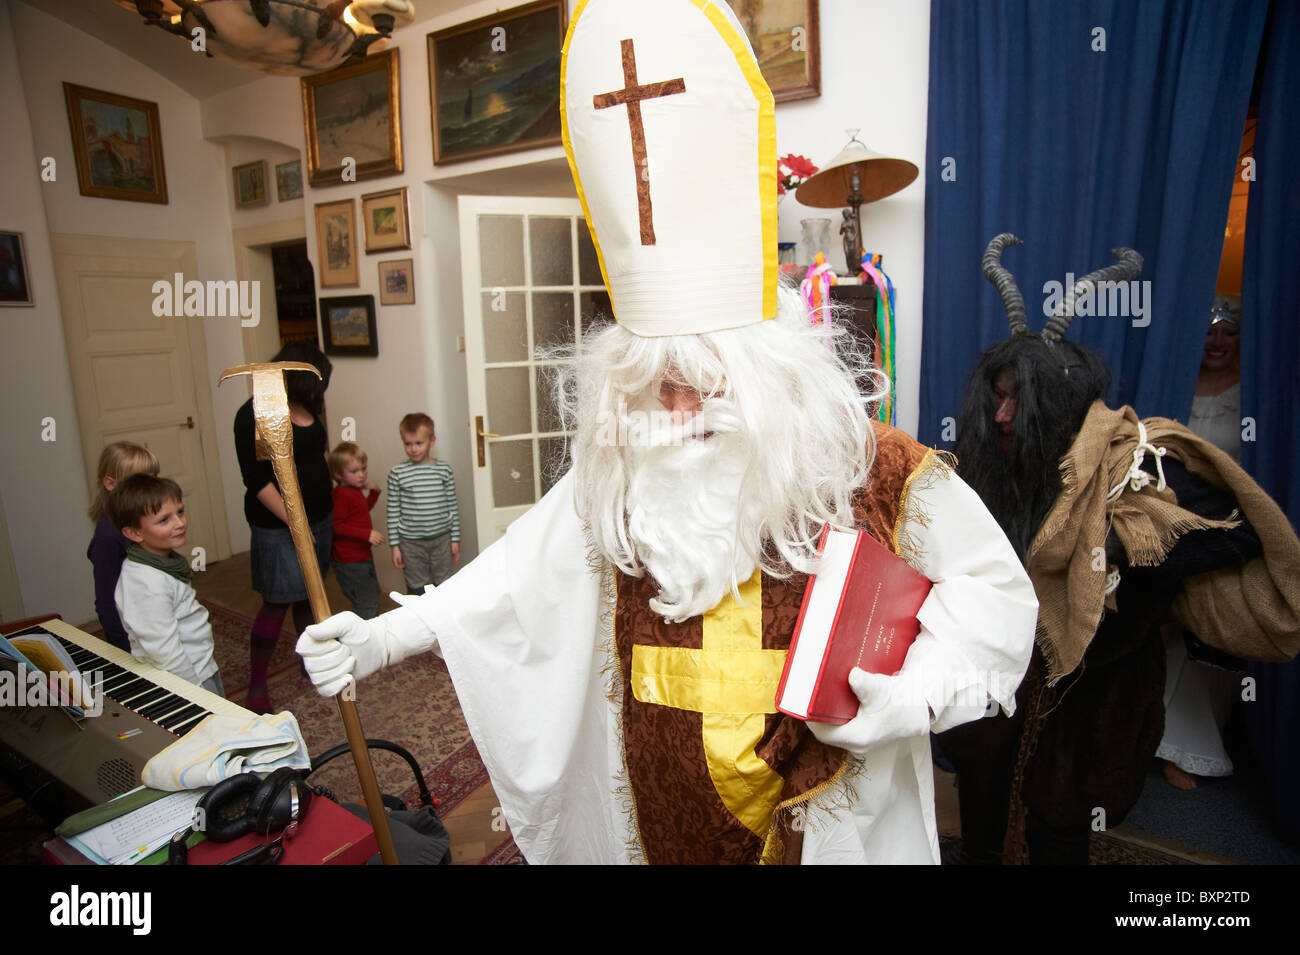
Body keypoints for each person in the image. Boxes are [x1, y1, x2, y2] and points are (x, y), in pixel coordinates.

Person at [295, 0, 1037, 865]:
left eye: (702, 383)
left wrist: (918, 693)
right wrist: (386, 636)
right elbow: (512, 572)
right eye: (656, 387)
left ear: (766, 376)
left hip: (834, 829)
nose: (678, 413)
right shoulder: (625, 473)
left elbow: (995, 596)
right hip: (662, 824)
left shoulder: (869, 467)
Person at [939, 235, 1300, 864]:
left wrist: (1134, 551)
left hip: (1094, 686)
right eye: (996, 397)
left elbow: (1242, 529)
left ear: (1059, 406)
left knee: (1060, 819)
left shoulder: (1136, 468)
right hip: (1003, 675)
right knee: (983, 800)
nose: (1001, 416)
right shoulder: (985, 471)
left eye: (1017, 401)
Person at [1158, 295, 1245, 790]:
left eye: (1228, 332)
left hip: (1226, 524)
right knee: (1166, 628)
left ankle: (1193, 749)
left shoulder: (1252, 393)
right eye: (1209, 330)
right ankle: (1154, 738)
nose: (1217, 342)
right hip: (1171, 517)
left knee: (1210, 631)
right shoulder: (1172, 384)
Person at [233, 342, 333, 713]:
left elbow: (315, 452)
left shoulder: (306, 404)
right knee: (277, 600)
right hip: (278, 526)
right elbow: (256, 481)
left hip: (320, 516)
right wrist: (295, 523)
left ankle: (311, 664)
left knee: (309, 594)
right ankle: (257, 684)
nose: (318, 392)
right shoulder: (254, 414)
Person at [109, 474, 222, 696]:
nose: (180, 523)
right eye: (164, 520)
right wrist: (197, 695)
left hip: (201, 665)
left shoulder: (164, 563)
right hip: (188, 681)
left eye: (180, 512)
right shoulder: (145, 582)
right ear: (133, 533)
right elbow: (165, 652)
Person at [87, 441, 159, 652]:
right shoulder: (108, 535)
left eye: (154, 480)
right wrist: (123, 647)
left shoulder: (142, 520)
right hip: (133, 637)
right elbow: (106, 603)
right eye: (140, 483)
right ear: (111, 484)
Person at [387, 413, 459, 594]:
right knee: (415, 587)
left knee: (443, 586)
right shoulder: (397, 473)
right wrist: (395, 546)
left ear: (431, 440)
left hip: (441, 539)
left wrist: (455, 538)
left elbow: (452, 506)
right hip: (410, 543)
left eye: (419, 443)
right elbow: (393, 511)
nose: (413, 449)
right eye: (408, 444)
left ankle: (442, 621)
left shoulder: (444, 470)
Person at [329, 441, 384, 620]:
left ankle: (367, 632)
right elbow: (337, 526)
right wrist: (366, 534)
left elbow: (362, 511)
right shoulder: (341, 495)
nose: (361, 475)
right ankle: (362, 639)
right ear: (338, 474)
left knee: (372, 593)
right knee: (365, 601)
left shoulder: (354, 490)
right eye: (354, 471)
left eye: (363, 469)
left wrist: (374, 493)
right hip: (350, 560)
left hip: (362, 555)